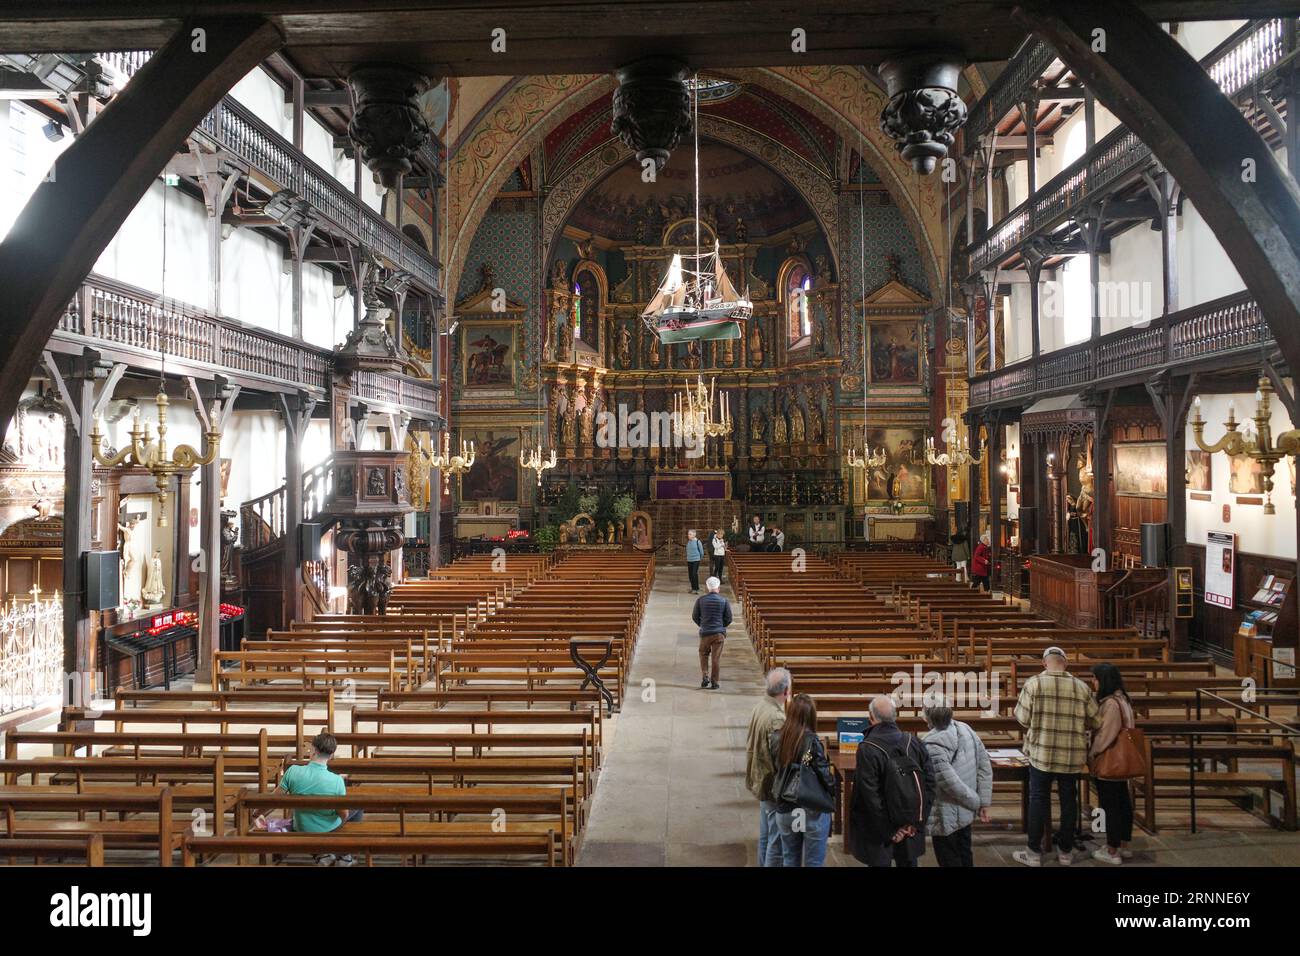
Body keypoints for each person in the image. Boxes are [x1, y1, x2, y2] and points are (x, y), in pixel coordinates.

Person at [1012, 646, 1101, 867]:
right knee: (1069, 802)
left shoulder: (1034, 684)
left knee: (1038, 801)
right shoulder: (1081, 687)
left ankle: (1033, 852)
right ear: (1066, 663)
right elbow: (1096, 720)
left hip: (1041, 752)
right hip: (1070, 755)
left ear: (1044, 663)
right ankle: (1065, 852)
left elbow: (1022, 719)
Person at [850, 695, 934, 867]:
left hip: (880, 832)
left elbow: (870, 795)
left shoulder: (867, 748)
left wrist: (891, 830)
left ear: (871, 718)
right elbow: (930, 784)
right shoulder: (915, 742)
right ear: (895, 716)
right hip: (909, 825)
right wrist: (916, 822)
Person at [254, 731, 362, 866]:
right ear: (332, 755)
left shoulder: (293, 771)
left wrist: (257, 813)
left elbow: (274, 799)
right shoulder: (337, 781)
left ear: (313, 750)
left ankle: (323, 854)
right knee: (357, 806)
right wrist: (339, 822)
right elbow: (343, 814)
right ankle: (346, 854)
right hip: (327, 828)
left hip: (301, 826)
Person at [922, 699, 992, 867]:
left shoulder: (932, 744)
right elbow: (985, 766)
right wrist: (983, 801)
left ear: (928, 717)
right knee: (964, 852)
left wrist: (977, 801)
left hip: (946, 813)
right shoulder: (965, 729)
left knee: (950, 858)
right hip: (966, 809)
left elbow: (948, 782)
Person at [767, 694, 835, 867]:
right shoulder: (813, 742)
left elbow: (775, 767)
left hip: (786, 806)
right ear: (811, 716)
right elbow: (824, 774)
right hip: (811, 808)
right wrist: (833, 791)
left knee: (790, 859)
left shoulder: (776, 738)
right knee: (814, 862)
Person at [1089, 663, 1136, 864]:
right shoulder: (1123, 699)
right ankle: (1123, 845)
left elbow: (1105, 735)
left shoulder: (1110, 704)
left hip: (1111, 759)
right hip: (1123, 760)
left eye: (1096, 678)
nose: (1093, 682)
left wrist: (1092, 754)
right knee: (1122, 802)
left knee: (1110, 805)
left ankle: (1112, 850)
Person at [744, 667, 791, 866]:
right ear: (787, 691)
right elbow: (780, 758)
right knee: (776, 841)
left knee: (765, 835)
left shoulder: (761, 705)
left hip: (760, 777)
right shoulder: (776, 718)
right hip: (772, 785)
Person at [691, 575, 731, 689]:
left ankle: (705, 676)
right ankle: (715, 682)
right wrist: (721, 627)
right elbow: (728, 618)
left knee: (703, 654)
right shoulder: (723, 601)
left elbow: (694, 616)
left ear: (707, 588)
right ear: (718, 588)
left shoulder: (700, 600)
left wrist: (702, 625)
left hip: (705, 633)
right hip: (718, 634)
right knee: (715, 659)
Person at [685, 529, 703, 594]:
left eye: (690, 534)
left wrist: (699, 558)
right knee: (690, 575)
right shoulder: (689, 542)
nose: (688, 535)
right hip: (689, 560)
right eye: (688, 534)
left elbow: (701, 552)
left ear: (694, 535)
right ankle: (693, 588)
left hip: (696, 560)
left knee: (694, 574)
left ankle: (696, 588)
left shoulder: (698, 542)